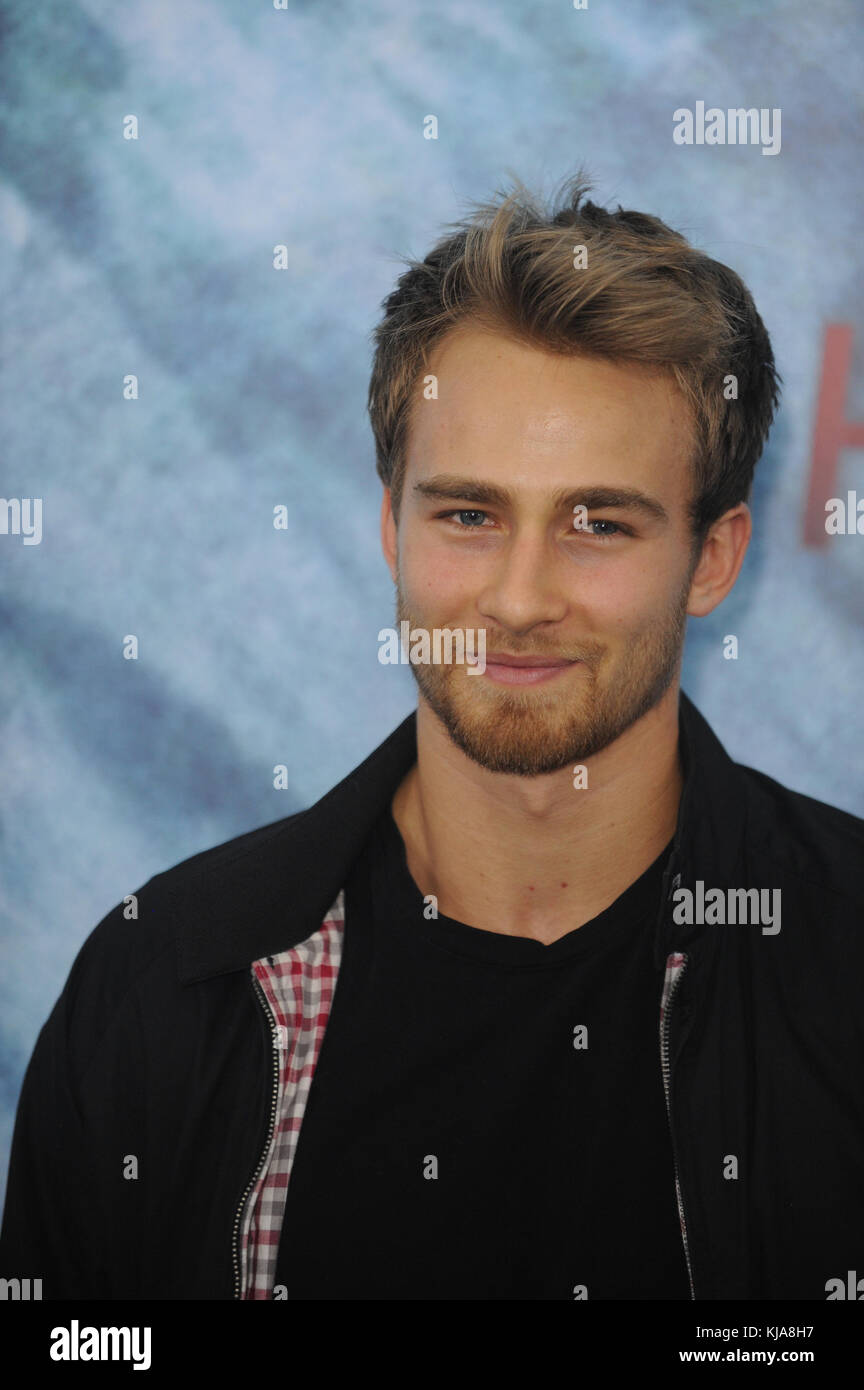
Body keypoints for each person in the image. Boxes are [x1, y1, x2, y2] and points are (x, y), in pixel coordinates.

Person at [2, 174, 862, 1302]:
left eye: (597, 523)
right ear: (390, 527)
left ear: (713, 558)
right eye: (469, 514)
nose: (518, 598)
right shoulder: (162, 986)